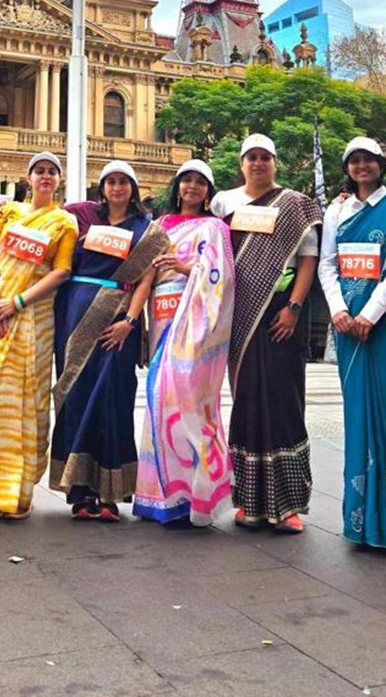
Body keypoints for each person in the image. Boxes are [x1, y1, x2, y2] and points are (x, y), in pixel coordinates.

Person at [318, 136, 386, 553]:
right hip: (349, 327)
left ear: (382, 165)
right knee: (359, 419)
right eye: (354, 161)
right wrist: (338, 309)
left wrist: (371, 312)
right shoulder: (338, 210)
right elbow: (328, 263)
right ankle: (363, 524)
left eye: (368, 160)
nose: (361, 166)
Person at [0, 152, 77, 520]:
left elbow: (61, 271)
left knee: (28, 403)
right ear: (28, 177)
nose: (45, 176)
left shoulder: (64, 222)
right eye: (39, 171)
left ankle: (17, 493)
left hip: (34, 317)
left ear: (59, 180)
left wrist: (18, 302)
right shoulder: (9, 214)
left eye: (52, 172)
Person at [212, 134, 322, 533]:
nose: (258, 163)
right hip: (238, 311)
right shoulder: (223, 202)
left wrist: (294, 308)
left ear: (275, 162)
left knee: (283, 400)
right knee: (246, 401)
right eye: (251, 157)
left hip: (280, 313)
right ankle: (248, 501)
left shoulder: (294, 204)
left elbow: (308, 258)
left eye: (265, 157)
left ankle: (288, 505)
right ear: (241, 163)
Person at [49, 160, 169, 521]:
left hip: (118, 320)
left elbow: (145, 281)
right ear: (102, 188)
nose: (117, 188)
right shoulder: (82, 219)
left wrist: (129, 321)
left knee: (112, 398)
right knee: (75, 394)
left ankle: (109, 495)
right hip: (73, 316)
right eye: (111, 182)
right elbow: (43, 219)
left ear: (133, 188)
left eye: (123, 182)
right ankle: (80, 492)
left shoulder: (147, 230)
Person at [134, 159, 236, 527]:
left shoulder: (214, 227)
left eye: (200, 182)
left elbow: (221, 276)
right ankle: (158, 495)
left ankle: (196, 495)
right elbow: (144, 273)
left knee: (189, 399)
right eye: (186, 180)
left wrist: (184, 268)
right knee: (160, 398)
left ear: (208, 191)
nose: (192, 187)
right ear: (177, 186)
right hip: (161, 315)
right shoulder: (160, 225)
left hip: (195, 324)